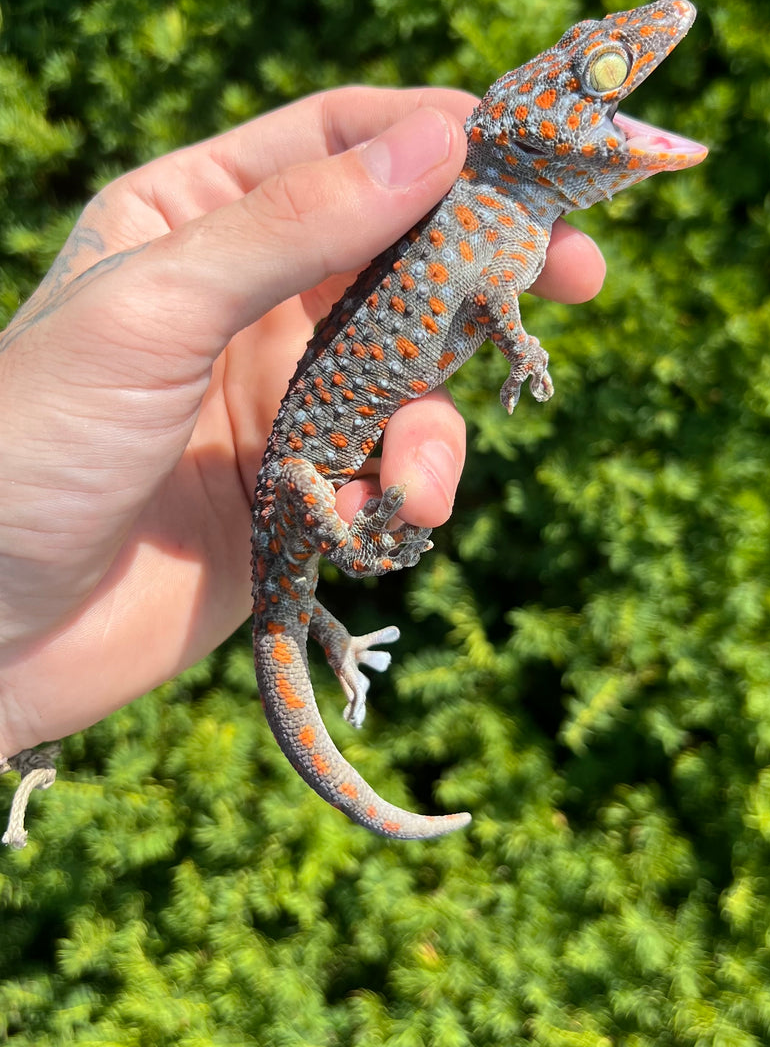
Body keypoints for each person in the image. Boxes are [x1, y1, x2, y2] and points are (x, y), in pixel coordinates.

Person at [0, 86, 606, 838]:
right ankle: (341, 603)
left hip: (292, 473)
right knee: (302, 547)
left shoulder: (502, 220)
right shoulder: (490, 215)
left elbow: (489, 294)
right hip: (296, 468)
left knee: (288, 588)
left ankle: (334, 632)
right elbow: (487, 298)